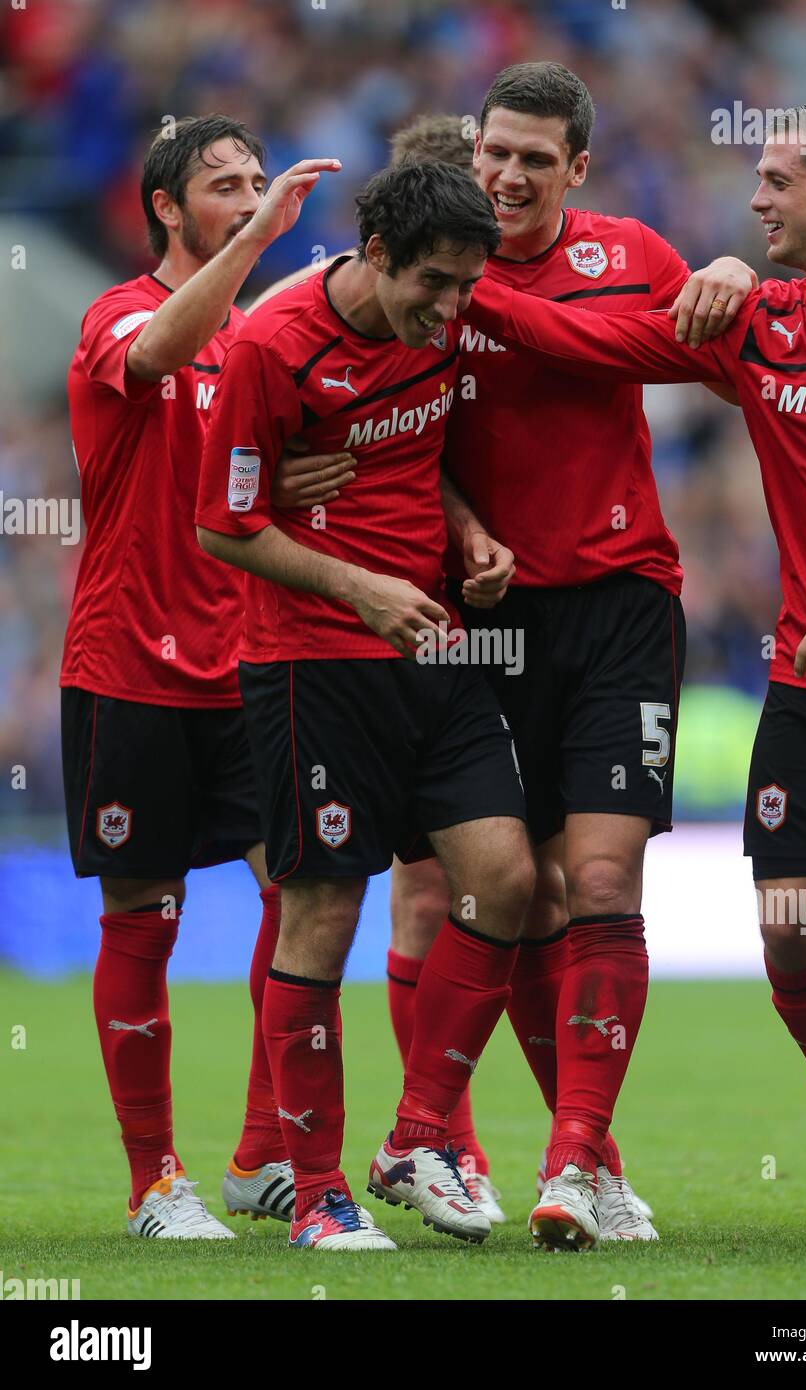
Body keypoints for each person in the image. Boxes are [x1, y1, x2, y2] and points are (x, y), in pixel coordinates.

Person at [276, 63, 755, 1250]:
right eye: (496, 151)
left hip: (617, 602)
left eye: (536, 158)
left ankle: (575, 1156)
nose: (509, 173)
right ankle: (443, 1140)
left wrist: (736, 269)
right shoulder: (430, 278)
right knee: (474, 887)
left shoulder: (619, 251)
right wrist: (297, 471)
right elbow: (313, 360)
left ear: (577, 170)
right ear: (472, 148)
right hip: (473, 616)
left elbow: (688, 348)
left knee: (593, 882)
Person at [459, 101, 806, 1245]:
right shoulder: (753, 324)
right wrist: (448, 274)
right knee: (786, 932)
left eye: (776, 182)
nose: (755, 201)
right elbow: (587, 343)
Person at [196, 161, 535, 1252]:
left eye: (466, 288)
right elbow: (221, 524)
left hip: (429, 645)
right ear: (375, 253)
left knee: (504, 880)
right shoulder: (269, 344)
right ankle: (315, 1191)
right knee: (324, 916)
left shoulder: (437, 319)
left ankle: (418, 1131)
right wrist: (357, 586)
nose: (450, 309)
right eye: (434, 283)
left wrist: (468, 532)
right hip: (312, 661)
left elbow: (404, 450)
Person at [62, 114, 340, 1237]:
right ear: (168, 208)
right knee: (145, 917)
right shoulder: (119, 316)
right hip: (130, 663)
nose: (249, 196)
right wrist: (255, 246)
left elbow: (261, 491)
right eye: (223, 184)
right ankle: (151, 1181)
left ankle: (259, 1155)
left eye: (260, 182)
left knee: (302, 896)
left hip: (251, 669)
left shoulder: (261, 345)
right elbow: (156, 357)